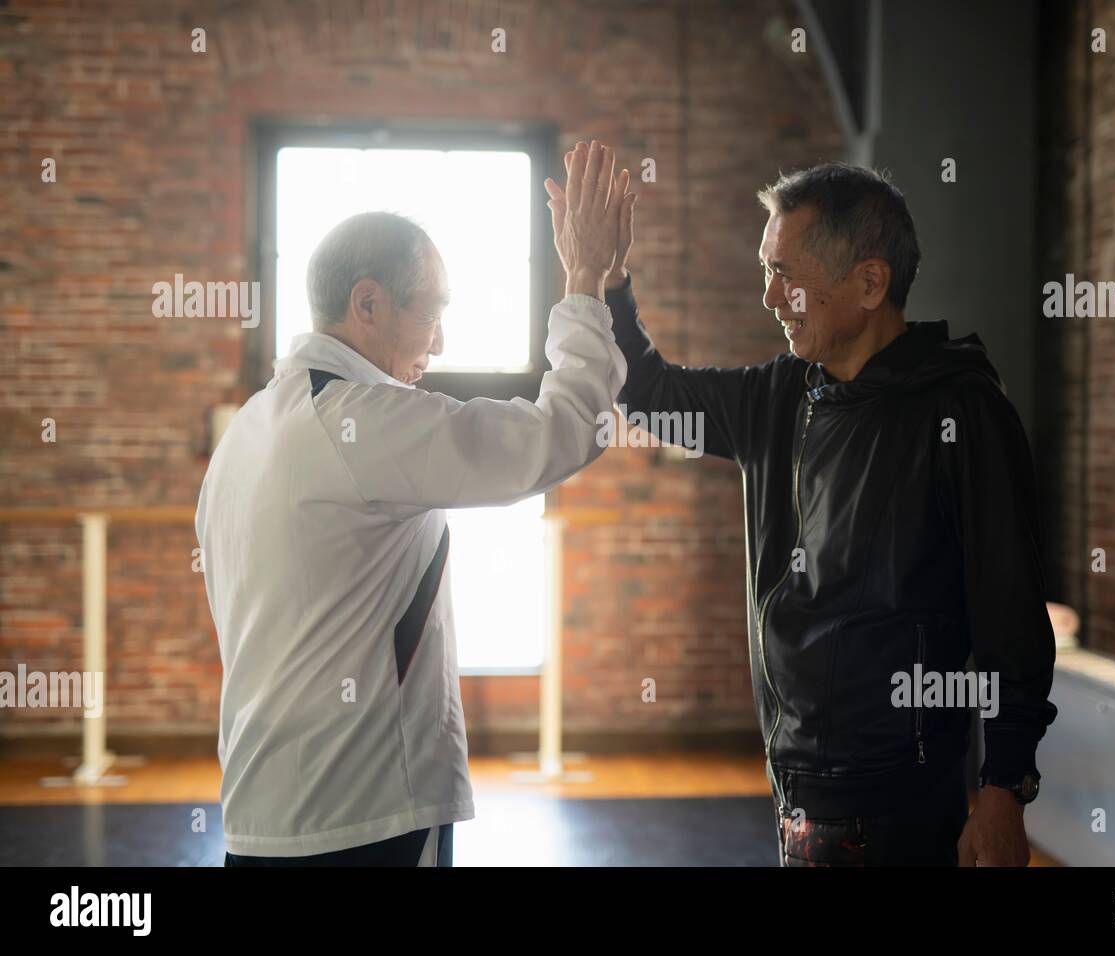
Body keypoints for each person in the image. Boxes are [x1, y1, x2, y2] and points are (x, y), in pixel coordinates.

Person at [545, 160, 1057, 866]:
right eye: (766, 270)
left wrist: (1004, 791)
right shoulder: (781, 396)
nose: (768, 296)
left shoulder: (962, 409)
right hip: (794, 788)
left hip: (903, 800)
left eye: (786, 274)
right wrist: (604, 278)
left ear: (871, 283)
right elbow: (649, 394)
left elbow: (1012, 618)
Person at [200, 141, 631, 866]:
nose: (441, 340)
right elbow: (559, 435)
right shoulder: (358, 421)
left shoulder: (250, 427)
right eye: (433, 312)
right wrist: (584, 281)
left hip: (261, 817)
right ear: (367, 303)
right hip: (366, 817)